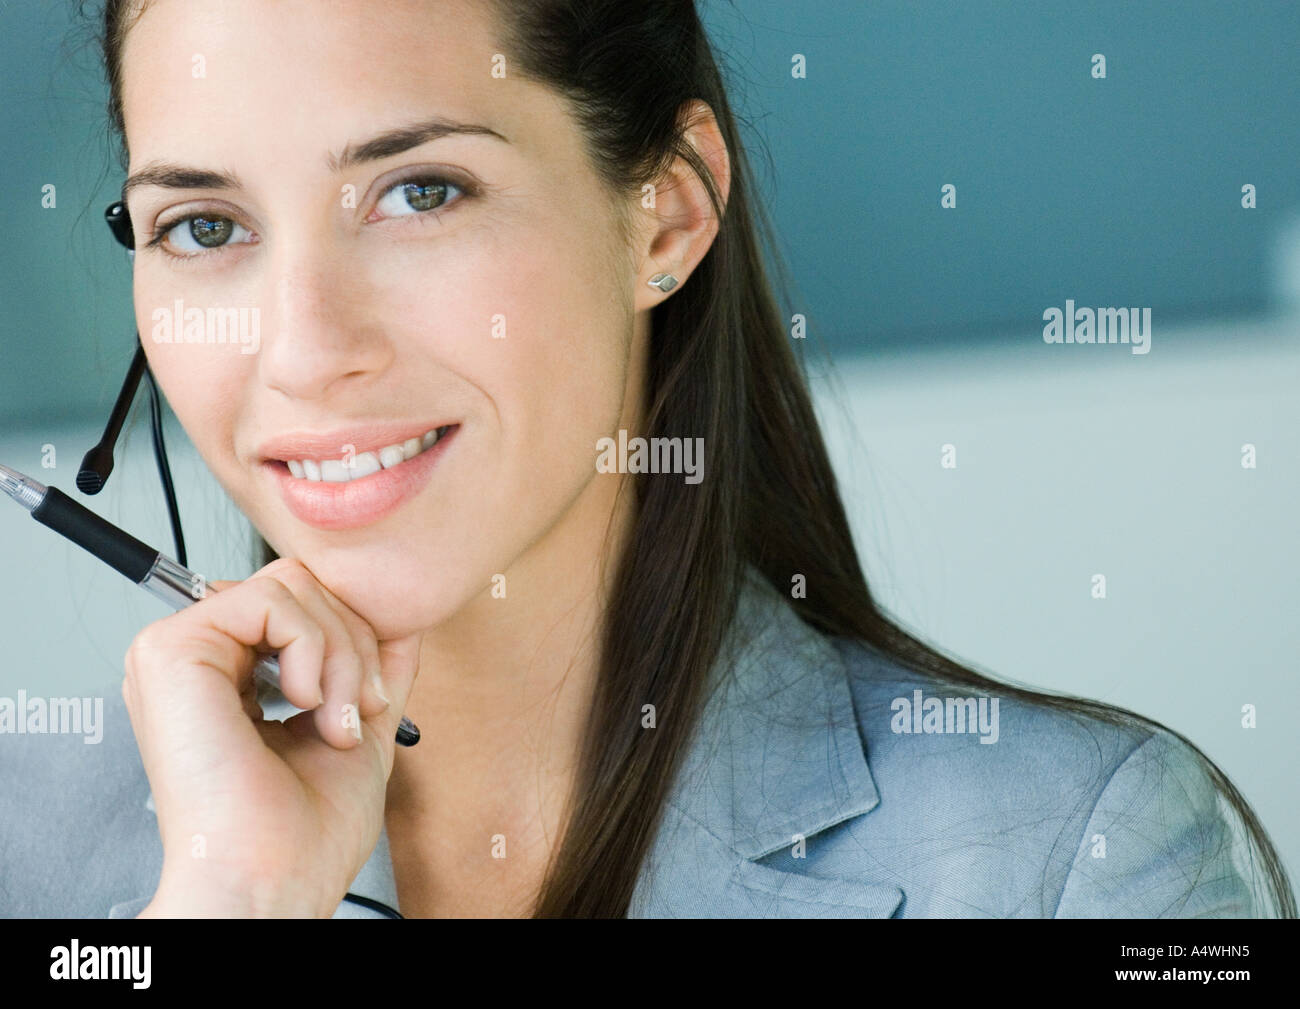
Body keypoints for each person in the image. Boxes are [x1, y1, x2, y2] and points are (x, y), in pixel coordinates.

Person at [3, 0, 1289, 918]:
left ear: (664, 212)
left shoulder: (1074, 857)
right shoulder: (32, 855)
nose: (298, 349)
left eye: (421, 192)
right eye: (205, 224)